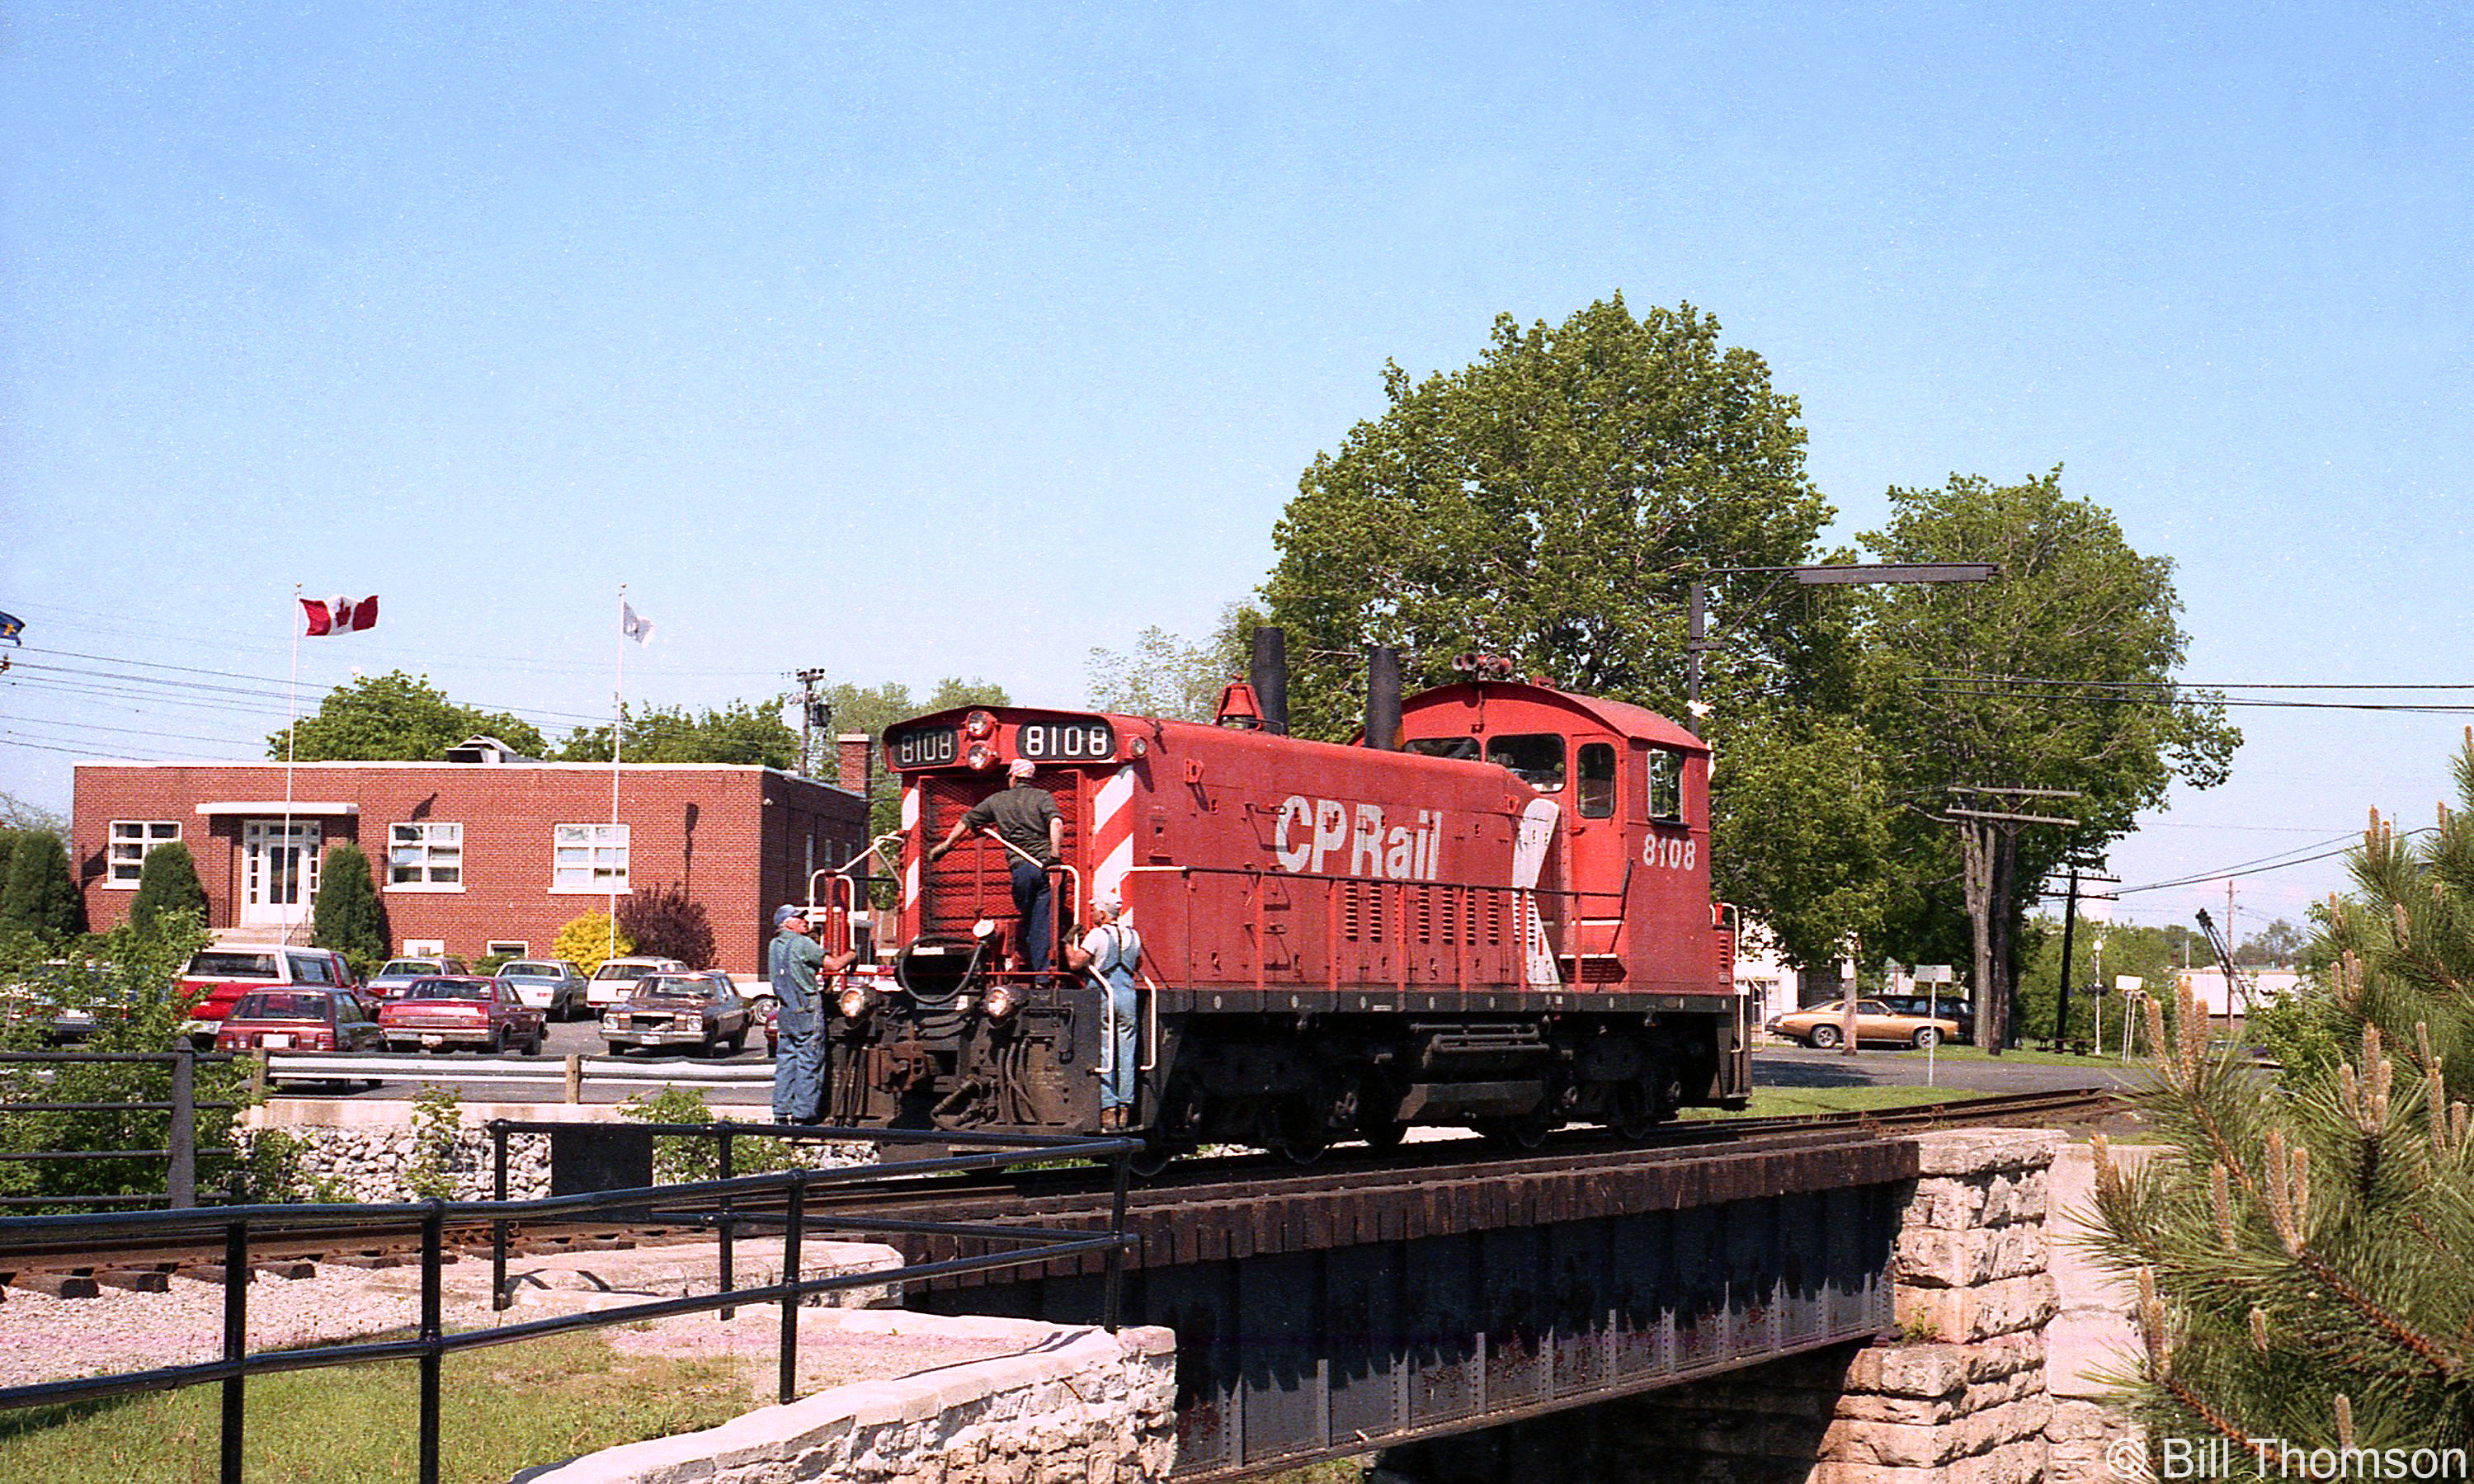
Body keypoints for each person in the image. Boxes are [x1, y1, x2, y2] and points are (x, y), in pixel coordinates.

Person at [926, 758, 1063, 975]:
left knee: (1030, 918)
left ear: (1013, 777)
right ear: (1030, 778)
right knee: (1043, 920)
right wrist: (1055, 855)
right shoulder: (1043, 797)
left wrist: (946, 845)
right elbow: (1056, 822)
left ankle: (1030, 961)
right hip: (1047, 869)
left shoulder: (997, 801)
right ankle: (1044, 973)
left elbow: (966, 821)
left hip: (1022, 868)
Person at [768, 903, 856, 1124]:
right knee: (809, 1062)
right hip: (807, 1009)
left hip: (786, 1010)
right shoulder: (802, 943)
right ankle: (802, 1116)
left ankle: (781, 1114)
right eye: (799, 919)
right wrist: (853, 954)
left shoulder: (773, 945)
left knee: (786, 1062)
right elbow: (834, 965)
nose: (805, 921)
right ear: (788, 923)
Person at [1063, 894, 1143, 1129]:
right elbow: (1137, 964)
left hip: (1105, 994)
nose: (1093, 914)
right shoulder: (1133, 934)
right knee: (1126, 1053)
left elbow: (1076, 964)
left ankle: (1108, 1110)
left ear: (1103, 913)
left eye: (1095, 910)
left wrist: (1068, 944)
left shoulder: (1097, 935)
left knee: (1106, 1050)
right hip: (1128, 995)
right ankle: (1125, 1109)